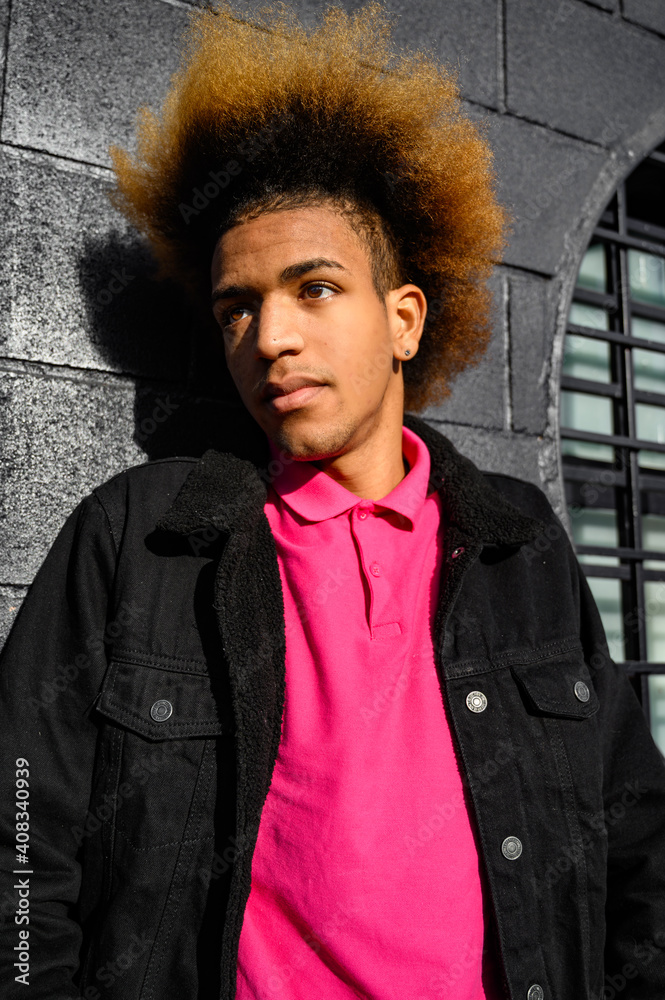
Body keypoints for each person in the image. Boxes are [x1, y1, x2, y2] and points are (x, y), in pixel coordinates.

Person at [1, 3, 665, 999]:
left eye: (313, 289)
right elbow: (20, 835)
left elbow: (638, 839)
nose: (268, 338)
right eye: (238, 306)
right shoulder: (137, 537)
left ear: (402, 320)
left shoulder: (515, 545)